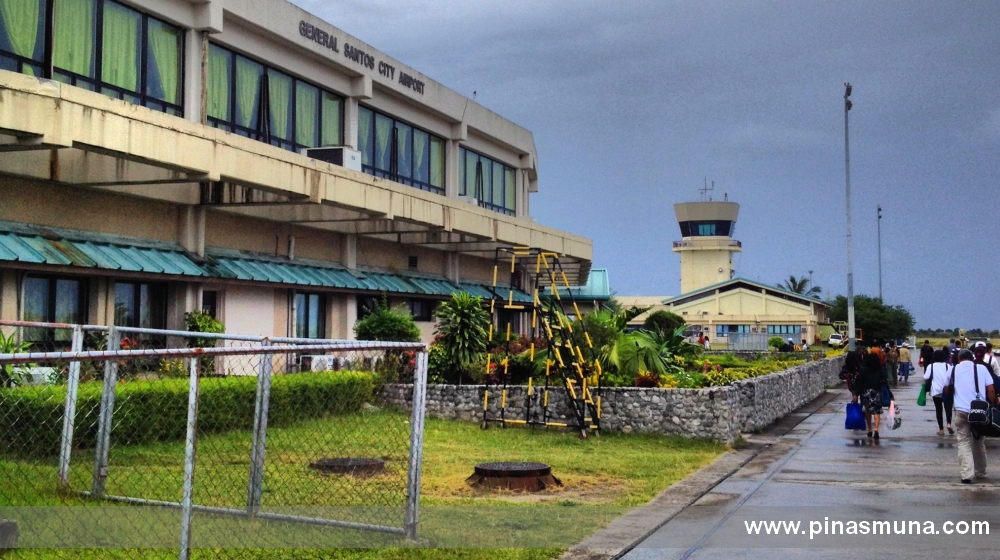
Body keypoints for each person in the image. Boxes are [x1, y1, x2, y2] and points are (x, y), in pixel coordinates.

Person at [948, 349, 996, 483]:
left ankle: (966, 475)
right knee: (979, 442)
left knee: (963, 442)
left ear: (959, 359)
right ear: (972, 358)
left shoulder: (953, 369)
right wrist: (991, 405)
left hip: (961, 411)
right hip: (979, 411)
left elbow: (946, 387)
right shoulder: (981, 369)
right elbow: (991, 389)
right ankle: (980, 471)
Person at [923, 349, 953, 435]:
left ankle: (941, 430)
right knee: (948, 408)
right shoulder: (948, 366)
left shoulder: (931, 366)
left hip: (936, 391)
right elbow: (952, 378)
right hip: (947, 390)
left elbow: (926, 377)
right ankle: (949, 424)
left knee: (938, 409)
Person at [859, 353, 886, 440]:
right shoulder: (880, 370)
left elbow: (860, 382)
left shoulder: (864, 370)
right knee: (877, 411)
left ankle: (870, 429)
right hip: (876, 392)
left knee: (867, 411)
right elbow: (884, 380)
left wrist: (857, 393)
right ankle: (876, 429)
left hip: (866, 393)